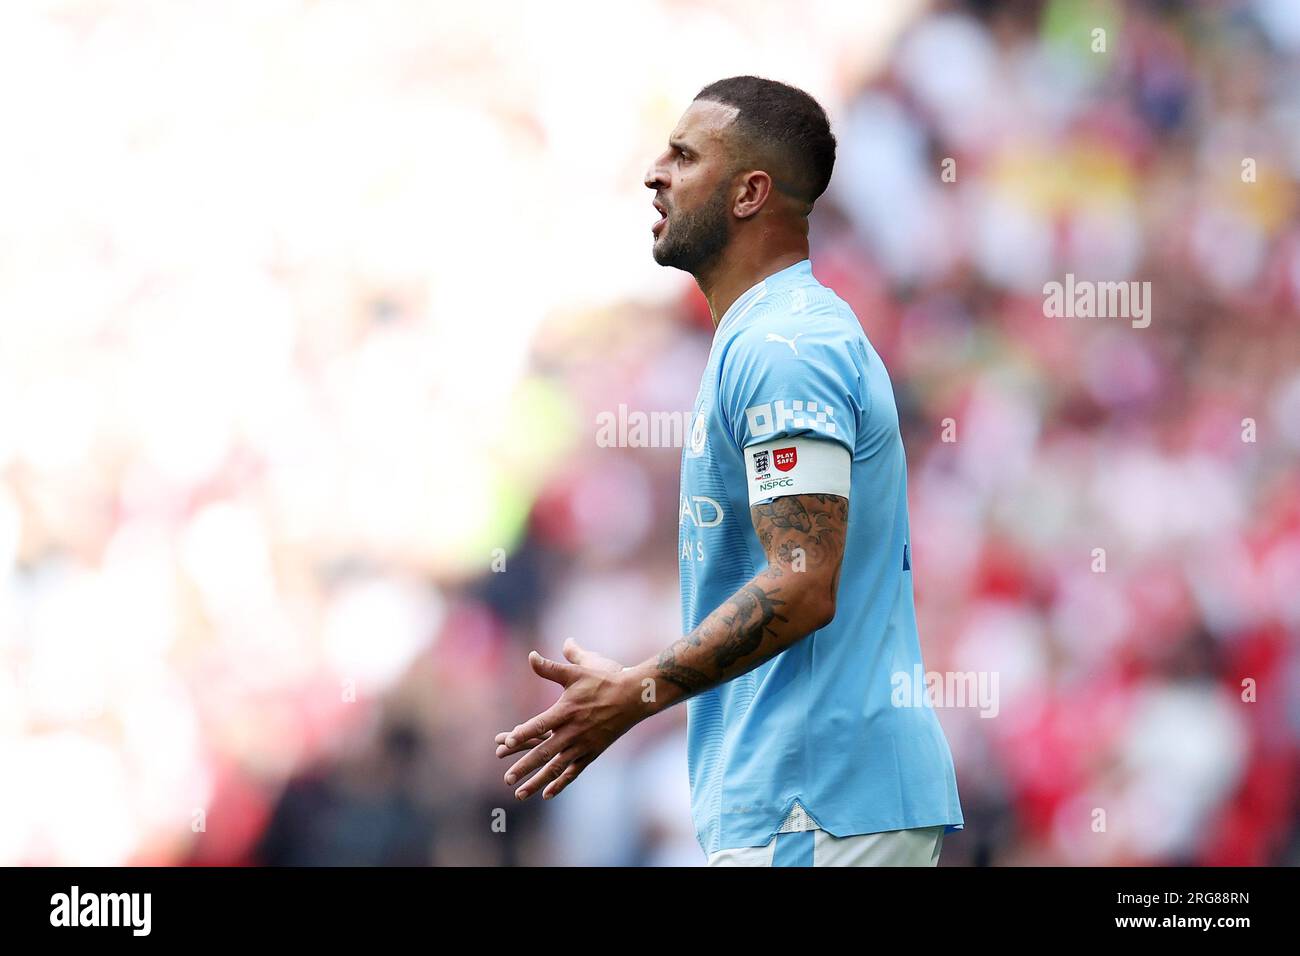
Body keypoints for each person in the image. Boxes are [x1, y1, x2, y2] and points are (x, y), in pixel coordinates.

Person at [494, 75, 963, 866]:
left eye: (683, 154)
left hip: (816, 801)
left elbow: (803, 579)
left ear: (750, 192)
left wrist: (636, 691)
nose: (654, 172)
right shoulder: (766, 337)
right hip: (805, 804)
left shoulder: (788, 350)